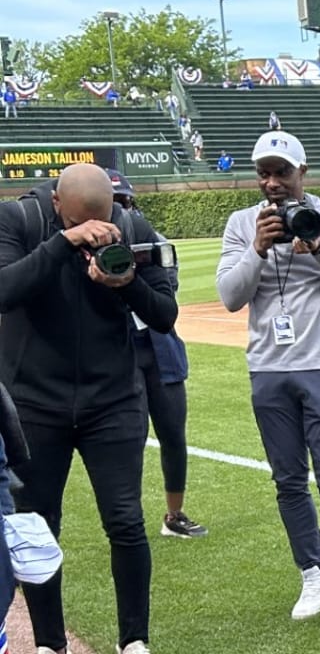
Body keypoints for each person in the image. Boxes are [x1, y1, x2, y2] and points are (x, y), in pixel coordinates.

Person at [0, 163, 179, 654]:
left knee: (124, 520)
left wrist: (126, 283)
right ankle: (48, 644)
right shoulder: (19, 221)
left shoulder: (133, 227)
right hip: (34, 400)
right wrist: (62, 244)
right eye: (79, 223)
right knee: (38, 524)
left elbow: (164, 316)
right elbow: (4, 290)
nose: (91, 235)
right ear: (57, 205)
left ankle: (134, 641)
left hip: (113, 398)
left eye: (98, 222)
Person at [216, 130, 320, 632]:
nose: (272, 182)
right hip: (268, 368)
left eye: (281, 171)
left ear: (302, 172)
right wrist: (258, 249)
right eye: (264, 172)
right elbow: (230, 297)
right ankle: (313, 574)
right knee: (287, 480)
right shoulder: (243, 225)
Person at [103, 170, 210, 541]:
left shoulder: (154, 242)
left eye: (125, 202)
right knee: (126, 439)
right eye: (113, 203)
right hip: (117, 351)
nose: (121, 211)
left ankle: (174, 514)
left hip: (159, 346)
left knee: (172, 433)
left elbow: (167, 292)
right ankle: (126, 519)